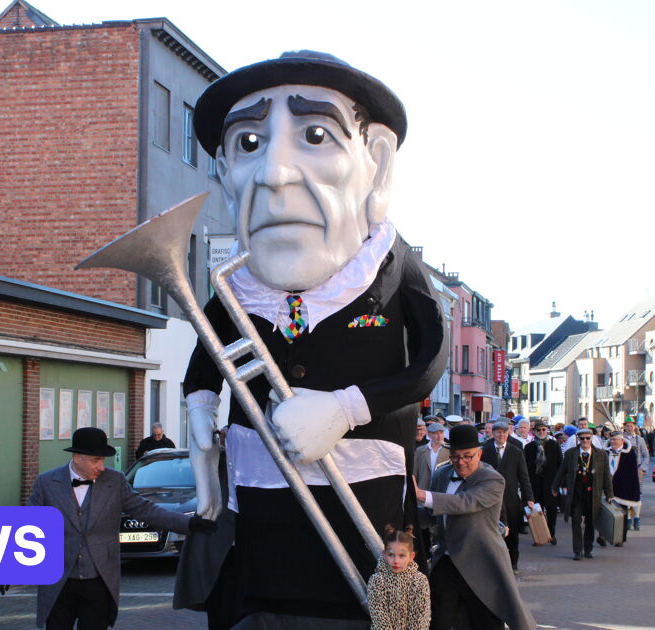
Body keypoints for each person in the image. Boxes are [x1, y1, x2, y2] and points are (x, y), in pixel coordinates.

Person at [182, 50, 449, 626]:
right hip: (263, 498)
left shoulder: (392, 265)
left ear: (375, 162)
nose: (274, 173)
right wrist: (200, 402)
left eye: (316, 134)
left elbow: (429, 363)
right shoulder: (241, 284)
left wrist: (345, 408)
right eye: (248, 144)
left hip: (365, 484)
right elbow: (209, 344)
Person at [29, 427, 216, 629]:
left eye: (102, 460)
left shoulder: (115, 481)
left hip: (99, 580)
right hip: (58, 580)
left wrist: (188, 523)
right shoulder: (47, 482)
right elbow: (29, 524)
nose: (101, 466)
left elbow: (146, 510)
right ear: (77, 457)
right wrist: (7, 569)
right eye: (95, 460)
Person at [414, 425, 536, 630]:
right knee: (437, 620)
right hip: (446, 560)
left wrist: (420, 495)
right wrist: (403, 508)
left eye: (467, 456)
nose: (460, 462)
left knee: (486, 623)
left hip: (481, 562)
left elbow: (463, 503)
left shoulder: (492, 479)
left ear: (479, 453)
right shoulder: (442, 474)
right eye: (455, 456)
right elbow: (431, 515)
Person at [479, 420, 534, 571]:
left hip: (510, 498)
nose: (501, 434)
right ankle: (494, 563)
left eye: (504, 432)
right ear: (493, 433)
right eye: (498, 432)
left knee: (512, 531)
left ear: (508, 433)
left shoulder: (516, 451)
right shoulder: (485, 450)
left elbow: (524, 477)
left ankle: (513, 562)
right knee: (491, 531)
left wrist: (529, 499)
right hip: (489, 498)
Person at [552, 426, 613, 561]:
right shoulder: (571, 453)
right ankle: (577, 550)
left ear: (591, 439)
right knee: (576, 521)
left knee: (591, 522)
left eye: (587, 438)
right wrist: (555, 486)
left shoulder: (601, 454)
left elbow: (606, 475)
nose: (585, 441)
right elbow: (562, 471)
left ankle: (588, 548)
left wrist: (609, 493)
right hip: (576, 493)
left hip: (593, 494)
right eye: (582, 438)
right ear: (578, 440)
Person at [366, 525, 430, 630]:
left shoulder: (420, 580)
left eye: (401, 555)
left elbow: (420, 618)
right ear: (384, 554)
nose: (396, 561)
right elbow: (380, 620)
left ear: (411, 556)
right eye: (391, 555)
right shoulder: (377, 580)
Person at [524, 422, 563, 544]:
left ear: (547, 431)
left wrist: (558, 484)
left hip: (550, 483)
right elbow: (525, 467)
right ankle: (539, 536)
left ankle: (551, 534)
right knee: (536, 511)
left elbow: (560, 465)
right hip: (535, 483)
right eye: (539, 430)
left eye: (544, 429)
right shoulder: (529, 447)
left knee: (551, 510)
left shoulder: (554, 445)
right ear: (534, 431)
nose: (541, 432)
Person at [606, 432, 642, 534]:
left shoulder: (629, 453)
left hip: (623, 487)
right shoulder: (605, 452)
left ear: (622, 441)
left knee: (623, 511)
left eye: (615, 439)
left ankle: (621, 536)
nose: (613, 442)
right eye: (611, 439)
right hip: (608, 487)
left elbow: (631, 473)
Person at [414, 423, 449, 490]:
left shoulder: (450, 450)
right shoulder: (419, 451)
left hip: (442, 489)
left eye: (441, 433)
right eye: (436, 433)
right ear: (429, 435)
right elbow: (415, 473)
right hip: (423, 489)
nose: (439, 436)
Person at [622, 419, 650, 484]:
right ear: (625, 427)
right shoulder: (621, 439)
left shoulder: (640, 439)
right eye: (627, 426)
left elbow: (646, 455)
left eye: (631, 426)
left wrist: (642, 468)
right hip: (623, 469)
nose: (629, 428)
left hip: (637, 468)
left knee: (637, 491)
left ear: (634, 427)